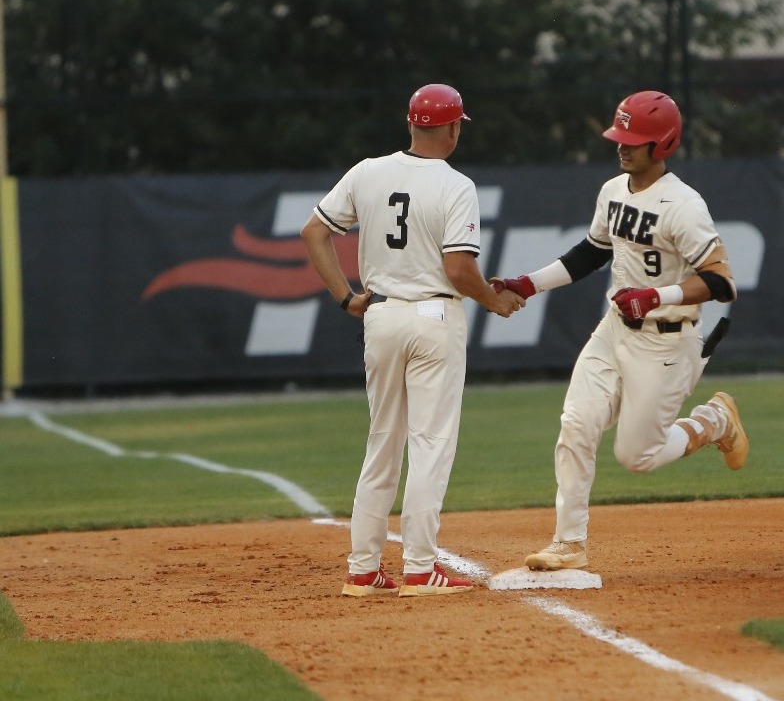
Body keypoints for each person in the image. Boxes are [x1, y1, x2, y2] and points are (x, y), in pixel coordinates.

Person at [492, 90, 749, 571]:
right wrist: (527, 284)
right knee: (575, 424)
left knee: (638, 456)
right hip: (615, 330)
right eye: (620, 135)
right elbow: (590, 254)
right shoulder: (612, 191)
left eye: (635, 139)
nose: (622, 145)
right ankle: (569, 543)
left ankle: (714, 421)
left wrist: (657, 296)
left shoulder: (683, 205)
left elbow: (722, 282)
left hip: (668, 342)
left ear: (664, 144)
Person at [301, 83, 525, 596]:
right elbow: (458, 268)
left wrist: (344, 297)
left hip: (379, 316)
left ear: (410, 123)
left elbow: (314, 232)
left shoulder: (367, 171)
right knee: (430, 445)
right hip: (433, 319)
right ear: (451, 128)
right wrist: (493, 300)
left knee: (383, 443)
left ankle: (363, 569)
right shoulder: (455, 185)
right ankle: (421, 568)